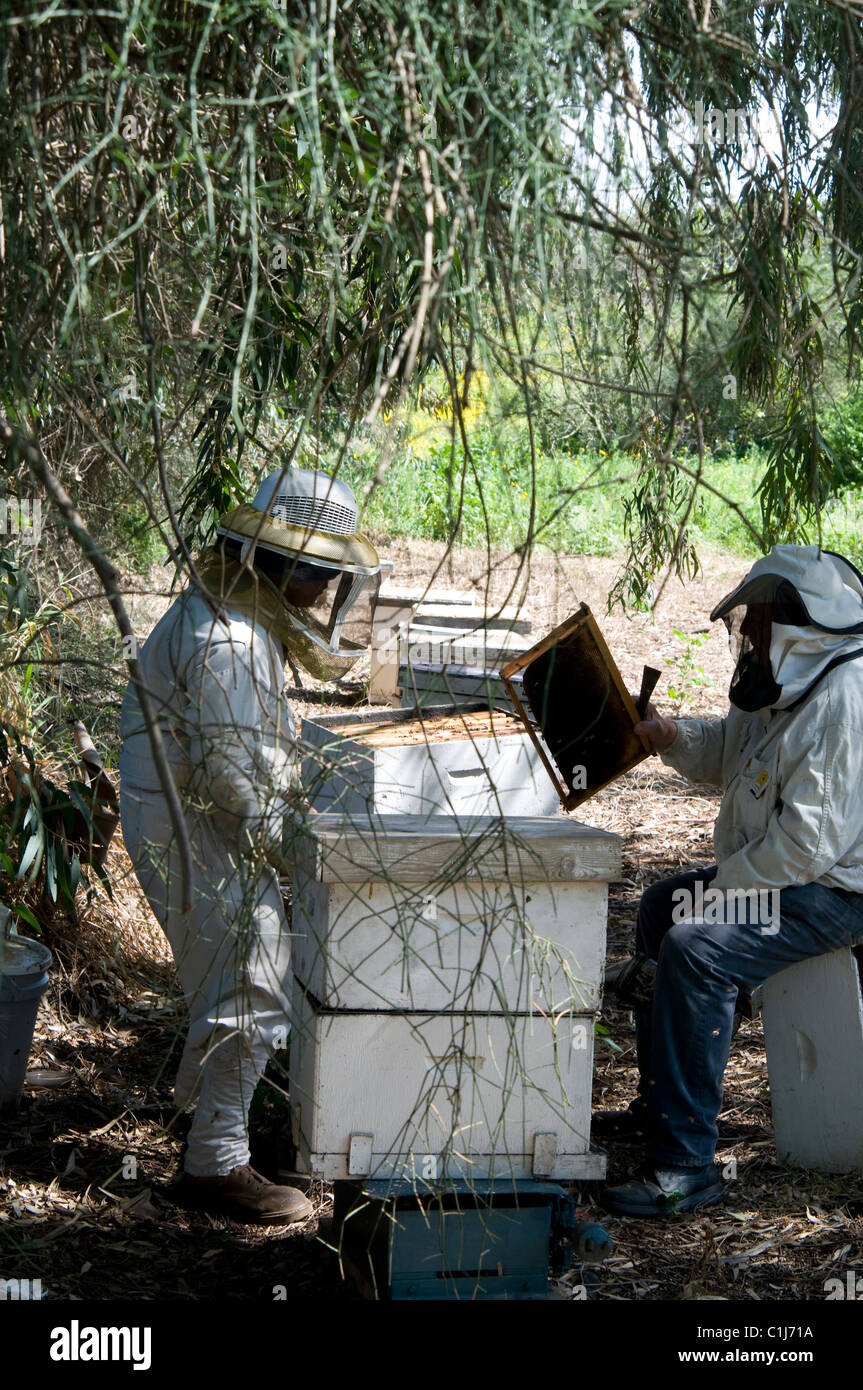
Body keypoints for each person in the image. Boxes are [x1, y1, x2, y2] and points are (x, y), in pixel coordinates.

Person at [118, 467, 382, 1223]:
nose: (328, 592)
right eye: (324, 574)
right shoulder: (228, 638)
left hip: (192, 817)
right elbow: (239, 778)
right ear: (288, 565)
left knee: (242, 980)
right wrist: (312, 852)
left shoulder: (230, 617)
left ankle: (216, 1138)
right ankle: (214, 1167)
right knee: (252, 982)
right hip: (195, 827)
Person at [595, 545, 863, 1217]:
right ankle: (661, 1105)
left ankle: (684, 1166)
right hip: (786, 878)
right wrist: (668, 735)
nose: (746, 632)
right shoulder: (780, 680)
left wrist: (716, 895)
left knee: (697, 947)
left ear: (801, 625)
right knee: (663, 907)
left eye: (760, 619)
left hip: (835, 896)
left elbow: (804, 848)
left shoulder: (840, 698)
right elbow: (727, 754)